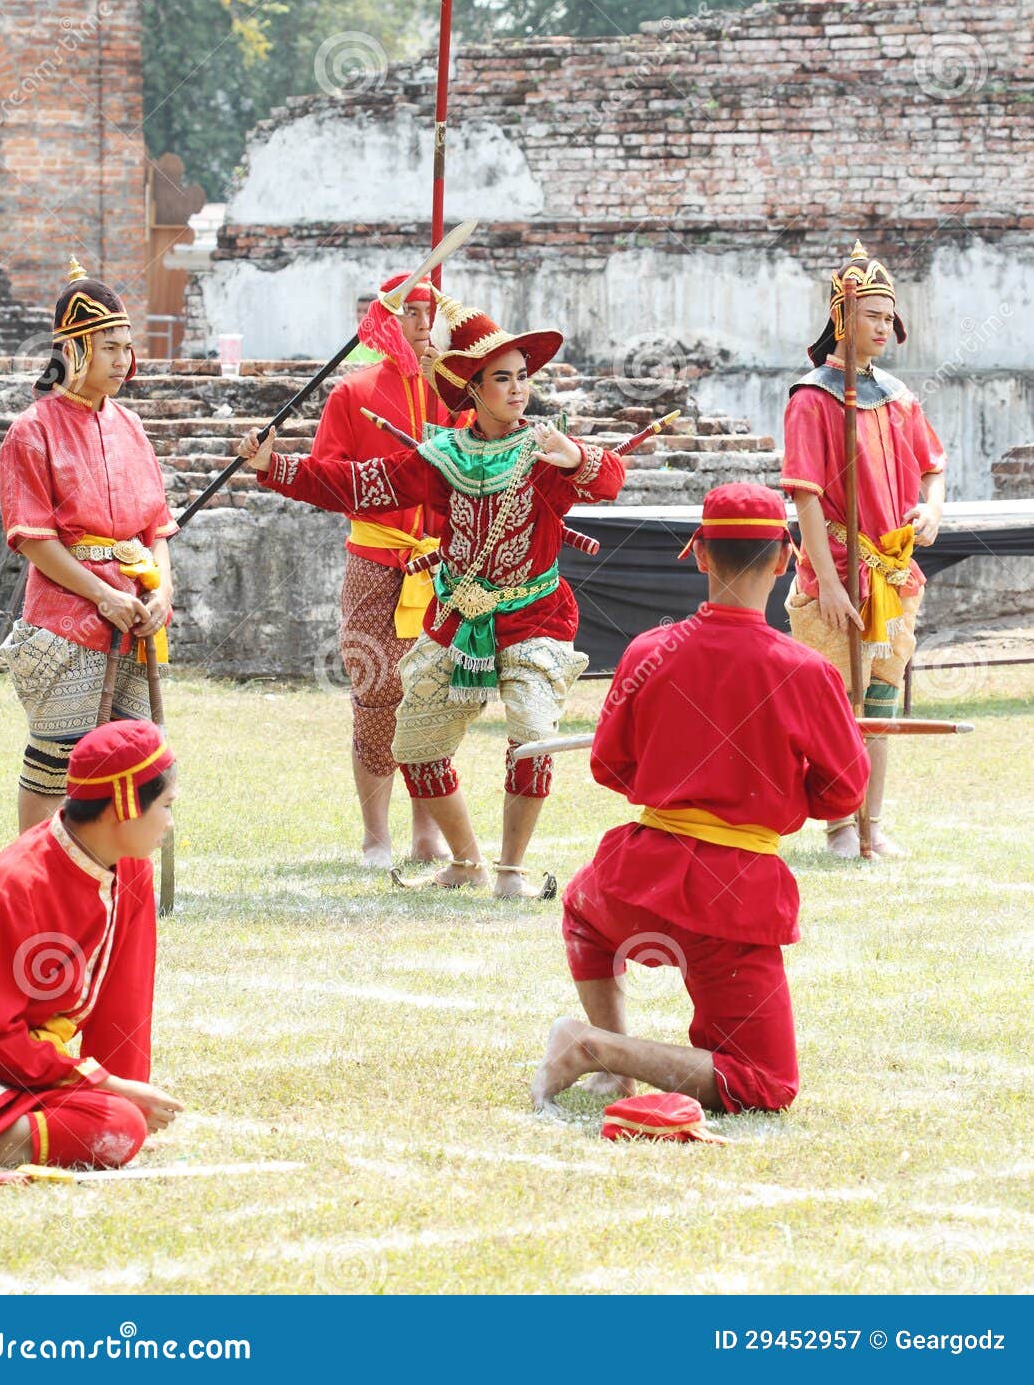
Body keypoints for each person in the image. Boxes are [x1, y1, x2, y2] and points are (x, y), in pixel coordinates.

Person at [238, 288, 626, 899]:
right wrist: (275, 467)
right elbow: (361, 485)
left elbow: (609, 480)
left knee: (532, 735)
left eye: (523, 377)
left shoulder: (547, 448)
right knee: (413, 741)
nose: (519, 390)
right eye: (503, 379)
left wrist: (577, 454)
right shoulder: (441, 457)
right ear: (473, 389)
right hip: (455, 616)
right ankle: (468, 861)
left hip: (534, 615)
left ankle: (511, 872)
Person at [532, 483, 869, 1116]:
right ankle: (602, 1052)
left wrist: (679, 781)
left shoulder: (647, 651)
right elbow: (842, 795)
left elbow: (609, 765)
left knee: (581, 906)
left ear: (700, 555)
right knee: (764, 1086)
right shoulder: (807, 672)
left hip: (635, 883)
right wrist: (778, 783)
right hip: (734, 904)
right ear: (784, 559)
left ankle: (609, 1054)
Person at [0, 259, 177, 834]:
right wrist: (103, 596)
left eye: (127, 347)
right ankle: (36, 882)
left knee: (137, 763)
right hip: (65, 621)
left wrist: (162, 592)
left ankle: (118, 881)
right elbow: (33, 539)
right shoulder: (32, 429)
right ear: (74, 350)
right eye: (109, 348)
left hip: (136, 617)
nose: (123, 360)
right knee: (59, 763)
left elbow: (156, 528)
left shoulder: (131, 424)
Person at [781, 248, 946, 857]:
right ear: (842, 317)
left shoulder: (900, 395)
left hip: (895, 571)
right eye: (869, 314)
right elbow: (804, 499)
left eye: (888, 315)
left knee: (879, 703)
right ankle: (839, 825)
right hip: (839, 570)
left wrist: (932, 510)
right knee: (837, 706)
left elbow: (933, 469)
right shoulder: (813, 397)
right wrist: (827, 580)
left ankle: (873, 826)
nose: (881, 326)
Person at [0, 719, 184, 1172]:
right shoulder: (6, 892)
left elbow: (125, 1002)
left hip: (34, 1068)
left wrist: (122, 1090)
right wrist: (105, 1085)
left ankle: (5, 1135)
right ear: (123, 806)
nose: (169, 822)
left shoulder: (132, 870)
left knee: (122, 1124)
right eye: (165, 806)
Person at [305, 273, 456, 868]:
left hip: (441, 565)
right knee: (375, 691)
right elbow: (325, 477)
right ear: (385, 322)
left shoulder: (454, 393)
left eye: (428, 313)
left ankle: (428, 832)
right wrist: (393, 476)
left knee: (432, 695)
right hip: (375, 560)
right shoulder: (353, 393)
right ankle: (376, 834)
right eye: (410, 314)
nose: (422, 325)